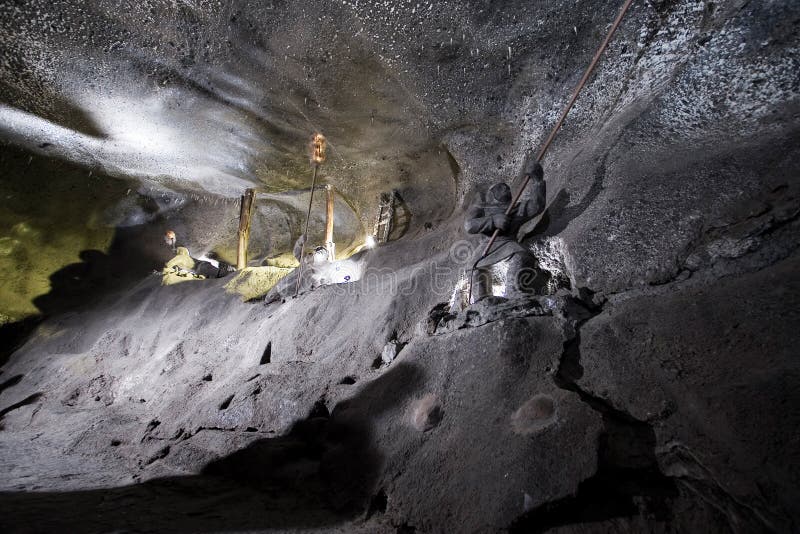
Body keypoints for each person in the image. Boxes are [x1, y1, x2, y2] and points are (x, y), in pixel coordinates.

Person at [464, 154, 546, 301]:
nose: (506, 188)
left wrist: (537, 181)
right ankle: (481, 299)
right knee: (473, 267)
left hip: (508, 243)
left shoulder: (515, 210)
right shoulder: (482, 208)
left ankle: (515, 289)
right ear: (492, 194)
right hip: (486, 246)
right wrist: (492, 221)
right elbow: (469, 225)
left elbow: (536, 206)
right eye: (501, 187)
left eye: (507, 188)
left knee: (521, 255)